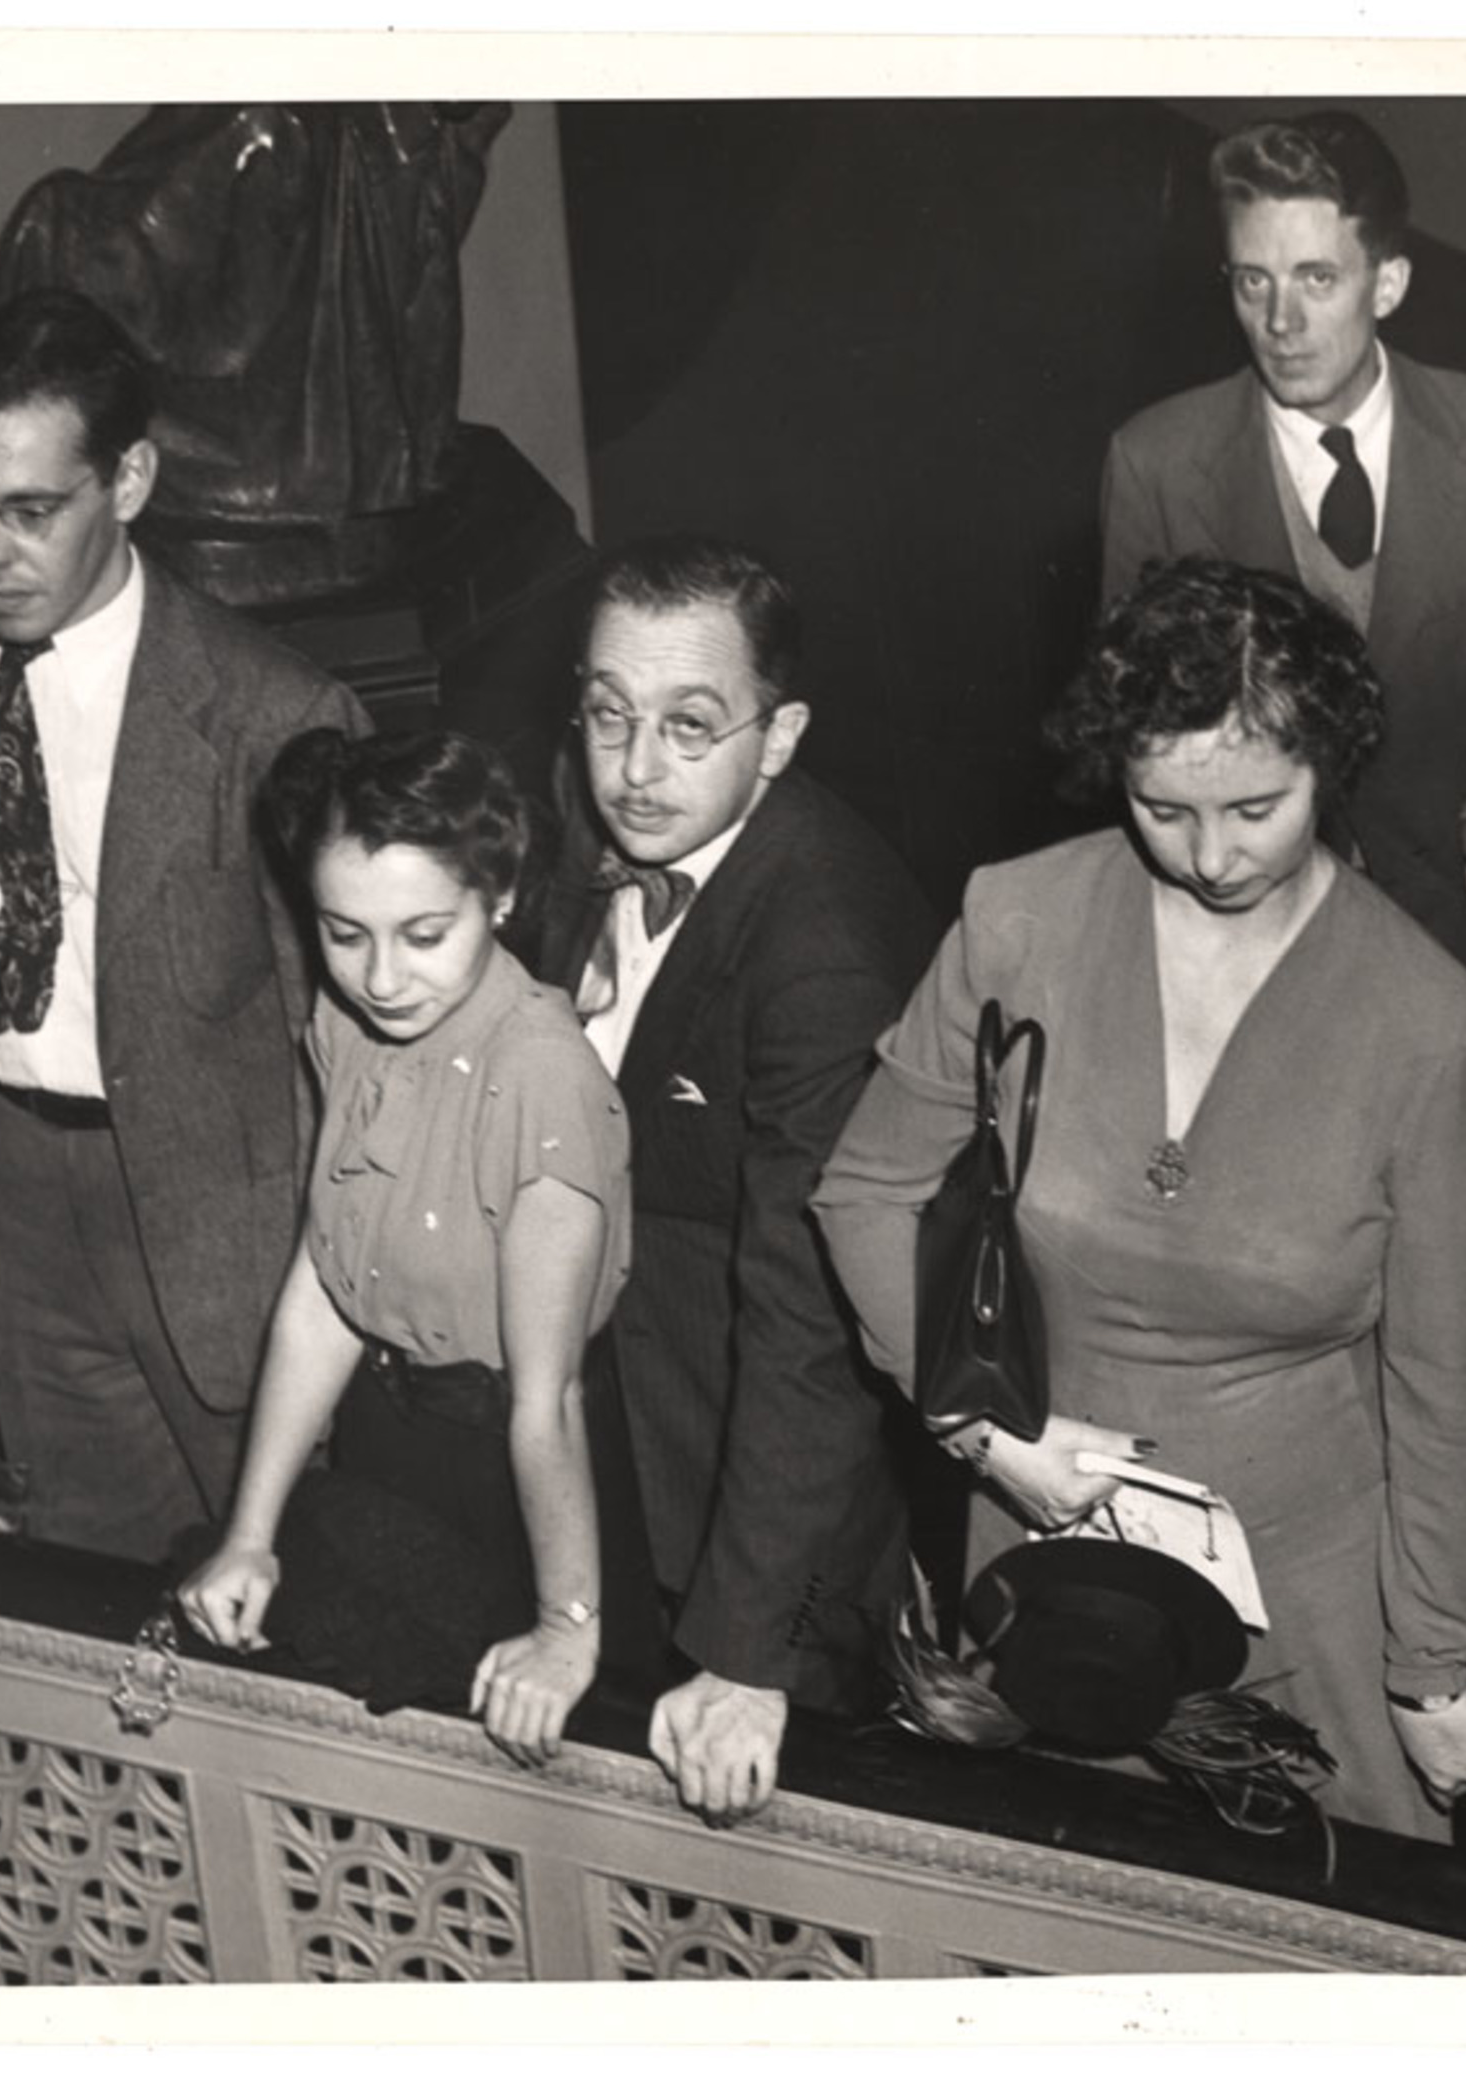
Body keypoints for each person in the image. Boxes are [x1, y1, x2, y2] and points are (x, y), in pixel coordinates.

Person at [814, 557, 1466, 1840]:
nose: (1210, 856)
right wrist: (985, 1432)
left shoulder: (1429, 1020)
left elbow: (1448, 1384)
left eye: (1256, 807)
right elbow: (863, 1193)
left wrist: (1429, 1660)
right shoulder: (1018, 919)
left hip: (1304, 1589)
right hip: (1040, 1536)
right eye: (1162, 809)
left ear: (1330, 763)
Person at [0, 287, 367, 1559]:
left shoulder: (273, 715)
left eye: (33, 510)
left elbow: (350, 1041)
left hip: (223, 1228)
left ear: (131, 480)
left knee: (283, 1587)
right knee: (82, 1586)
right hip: (6, 1193)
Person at [530, 536, 938, 1821]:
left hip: (755, 1504)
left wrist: (753, 1647)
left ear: (780, 737)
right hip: (601, 1443)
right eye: (609, 713)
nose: (635, 769)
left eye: (690, 725)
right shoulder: (595, 810)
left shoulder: (825, 946)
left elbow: (811, 1319)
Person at [179, 730, 656, 1766]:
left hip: (521, 1474)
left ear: (501, 896)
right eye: (344, 933)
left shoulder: (541, 1077)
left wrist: (566, 1628)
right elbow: (325, 1290)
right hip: (387, 1439)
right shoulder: (349, 1021)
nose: (382, 977)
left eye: (425, 934)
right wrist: (251, 1533)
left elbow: (549, 1399)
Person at [1099, 110, 1466, 975]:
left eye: (1317, 278)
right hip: (1243, 920)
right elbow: (1133, 728)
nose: (1280, 321)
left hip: (1452, 919)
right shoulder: (1157, 464)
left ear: (1388, 283)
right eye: (1252, 281)